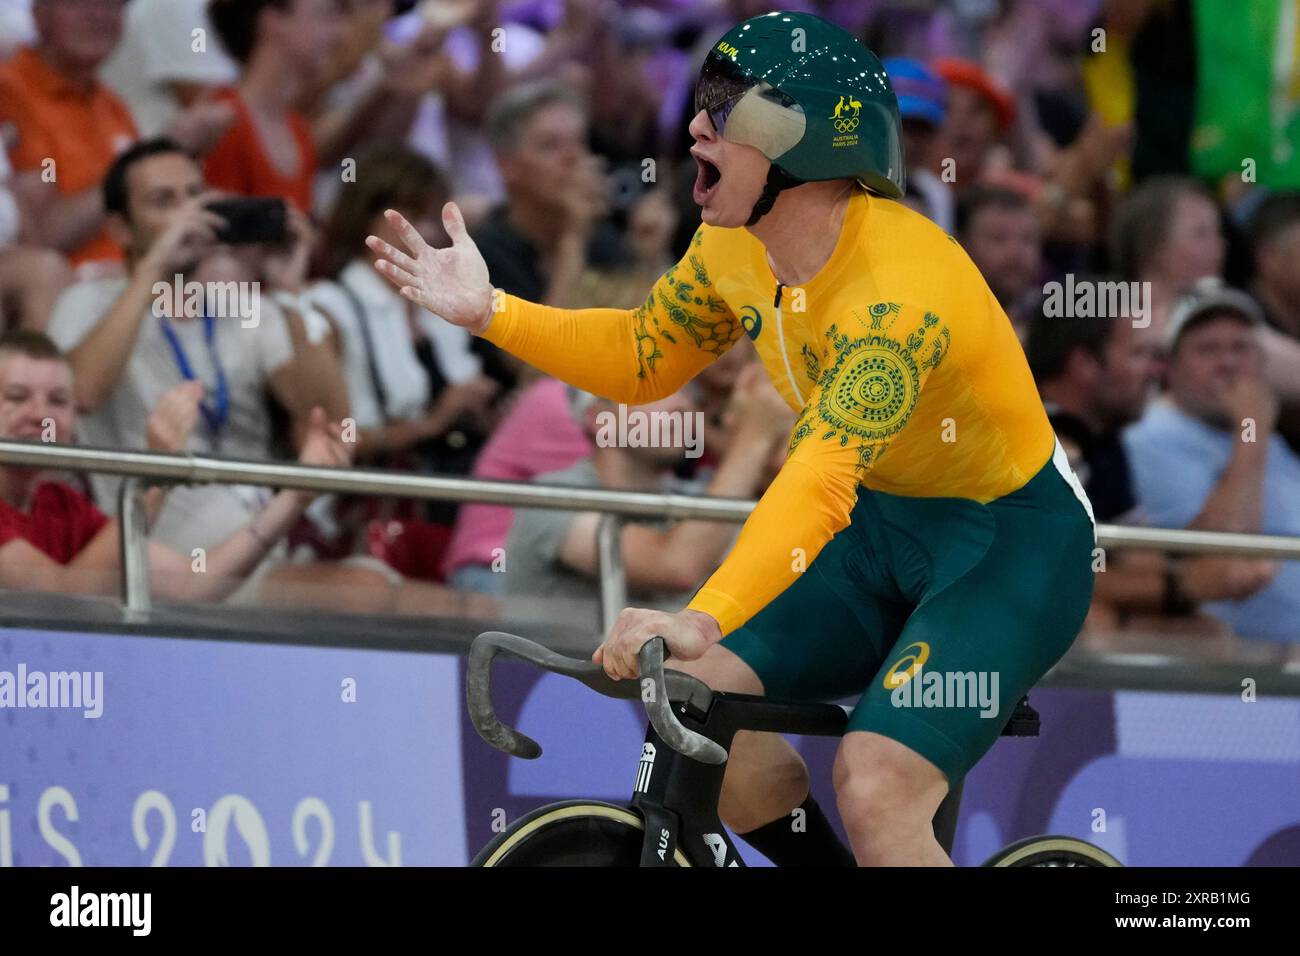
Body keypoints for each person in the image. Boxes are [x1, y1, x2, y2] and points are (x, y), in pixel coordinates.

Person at [369, 11, 1098, 867]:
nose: (693, 126)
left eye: (727, 109)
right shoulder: (732, 245)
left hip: (1009, 543)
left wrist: (702, 614)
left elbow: (819, 480)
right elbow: (644, 356)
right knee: (697, 699)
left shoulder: (898, 295)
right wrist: (492, 312)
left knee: (876, 782)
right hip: (884, 526)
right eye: (700, 99)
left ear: (810, 145)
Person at [0, 328, 345, 600]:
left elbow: (192, 585)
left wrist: (294, 496)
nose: (41, 416)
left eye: (58, 400)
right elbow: (59, 601)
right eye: (16, 397)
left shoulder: (62, 505)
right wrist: (156, 474)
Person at [1027, 296, 1273, 632]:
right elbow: (1040, 576)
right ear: (1084, 364)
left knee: (1206, 631)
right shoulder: (1035, 440)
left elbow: (1143, 559)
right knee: (1095, 621)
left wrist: (1194, 577)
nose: (1158, 371)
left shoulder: (1104, 441)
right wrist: (1185, 584)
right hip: (976, 645)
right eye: (1140, 354)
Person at [504, 368, 793, 625]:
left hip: (653, 682)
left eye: (687, 392)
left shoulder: (688, 499)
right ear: (598, 419)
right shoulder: (554, 497)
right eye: (656, 391)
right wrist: (755, 436)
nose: (682, 404)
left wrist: (767, 423)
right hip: (558, 683)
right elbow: (676, 566)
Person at [1123, 281, 1297, 645]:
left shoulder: (1272, 440)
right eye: (1208, 349)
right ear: (1170, 367)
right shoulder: (1151, 437)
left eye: (1241, 347)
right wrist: (1252, 430)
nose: (1229, 363)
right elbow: (1219, 558)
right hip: (1223, 670)